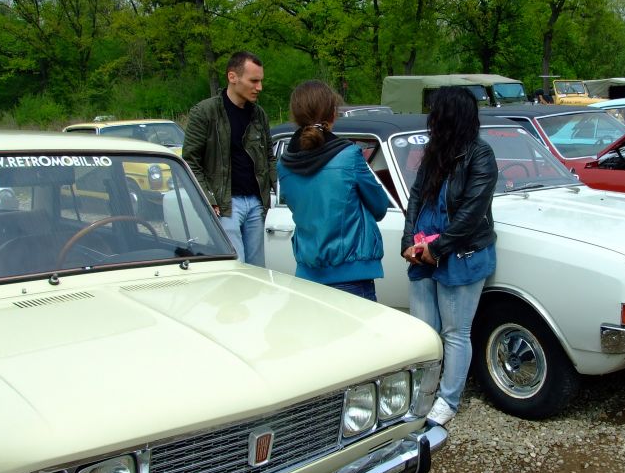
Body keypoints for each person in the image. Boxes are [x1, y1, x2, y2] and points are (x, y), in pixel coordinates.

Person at [401, 86, 498, 426]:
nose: (431, 119)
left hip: (461, 254)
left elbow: (471, 213)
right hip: (423, 251)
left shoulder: (480, 155)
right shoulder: (434, 152)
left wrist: (436, 249)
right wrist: (407, 241)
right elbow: (415, 198)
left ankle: (448, 399)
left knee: (456, 331)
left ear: (448, 116)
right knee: (426, 330)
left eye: (436, 113)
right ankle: (423, 393)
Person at [277, 80, 388, 300]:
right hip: (351, 271)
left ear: (295, 116)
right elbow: (380, 207)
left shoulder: (284, 164)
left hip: (307, 273)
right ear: (333, 114)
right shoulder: (349, 156)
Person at [183, 51, 275, 267]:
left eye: (260, 81)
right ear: (232, 77)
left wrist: (272, 192)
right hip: (225, 204)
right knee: (235, 268)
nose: (259, 87)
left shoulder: (258, 114)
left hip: (256, 203)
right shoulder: (205, 112)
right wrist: (209, 198)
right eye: (253, 81)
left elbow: (269, 157)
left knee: (256, 271)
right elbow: (190, 161)